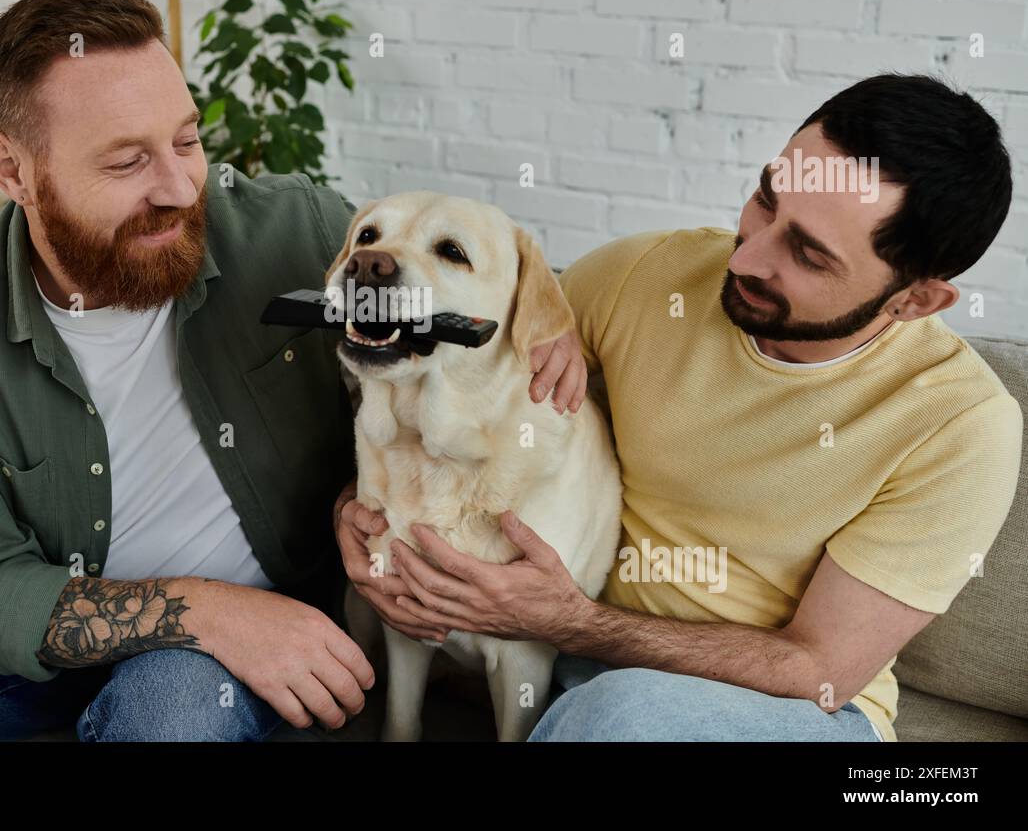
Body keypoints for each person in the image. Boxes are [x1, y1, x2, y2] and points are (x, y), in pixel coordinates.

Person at [0, 0, 584, 741]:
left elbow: (464, 297)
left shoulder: (295, 232)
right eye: (127, 162)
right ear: (13, 169)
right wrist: (203, 608)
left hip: (229, 640)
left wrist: (562, 324)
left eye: (188, 140)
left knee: (168, 715)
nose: (178, 187)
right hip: (60, 612)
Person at [337, 73, 1023, 742]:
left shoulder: (961, 425)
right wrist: (366, 514)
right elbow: (457, 376)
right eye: (765, 199)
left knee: (622, 717)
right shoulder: (647, 276)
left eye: (808, 255)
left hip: (788, 711)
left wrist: (569, 621)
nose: (747, 256)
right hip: (580, 667)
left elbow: (819, 669)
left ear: (914, 300)